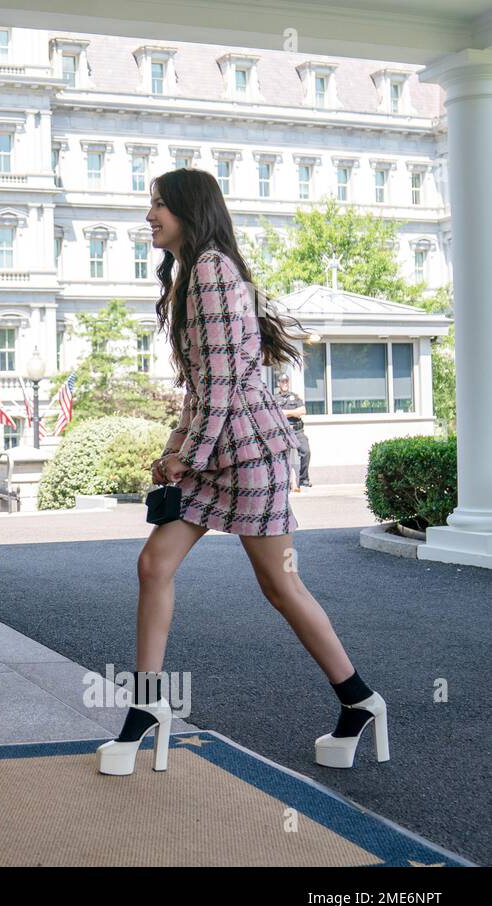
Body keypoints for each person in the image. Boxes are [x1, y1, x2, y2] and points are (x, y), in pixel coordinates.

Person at [96, 168, 388, 776]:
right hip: (217, 453)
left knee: (281, 586)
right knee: (153, 564)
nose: (149, 216)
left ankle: (358, 701)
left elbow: (226, 384)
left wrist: (187, 457)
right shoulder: (191, 276)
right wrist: (176, 450)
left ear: (189, 210)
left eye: (159, 206)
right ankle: (148, 707)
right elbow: (200, 389)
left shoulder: (211, 272)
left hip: (252, 456)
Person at [275, 372, 312, 490]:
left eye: (286, 381)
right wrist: (293, 412)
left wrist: (285, 412)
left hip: (297, 430)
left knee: (306, 451)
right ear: (278, 383)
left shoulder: (295, 397)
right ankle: (284, 482)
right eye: (282, 381)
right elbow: (275, 414)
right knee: (281, 456)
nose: (284, 383)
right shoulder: (274, 398)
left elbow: (302, 411)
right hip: (283, 432)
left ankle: (304, 480)